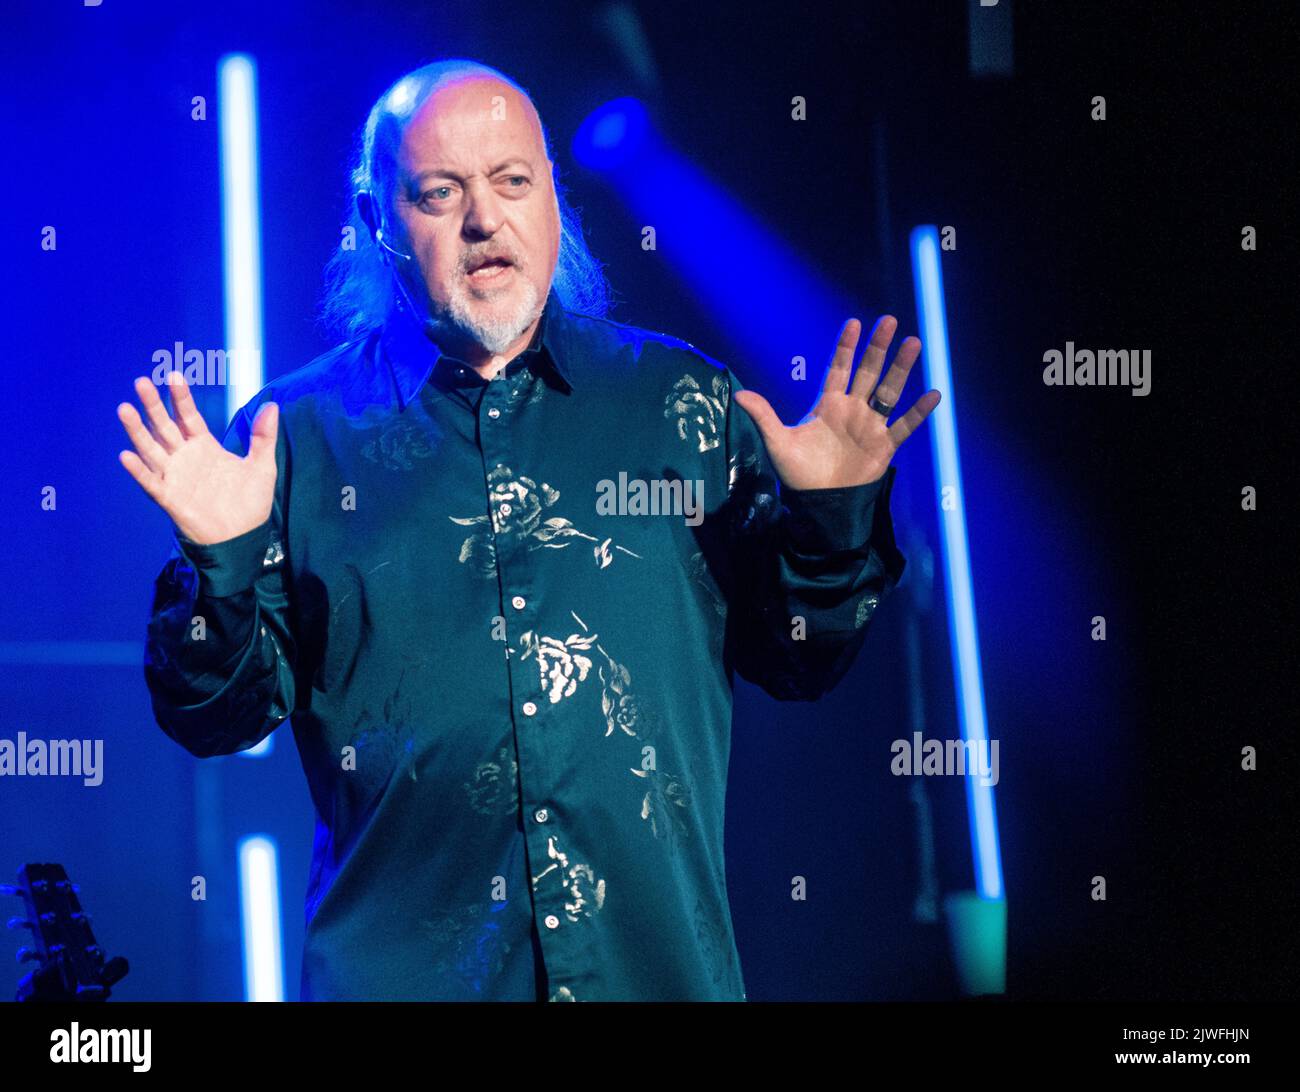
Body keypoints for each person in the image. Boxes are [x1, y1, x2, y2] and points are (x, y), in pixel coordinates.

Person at [116, 59, 940, 1001]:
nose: (484, 219)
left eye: (514, 181)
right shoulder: (291, 440)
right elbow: (215, 718)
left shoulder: (682, 405)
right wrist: (219, 561)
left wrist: (832, 521)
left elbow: (803, 661)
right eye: (439, 191)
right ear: (376, 219)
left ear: (554, 200)